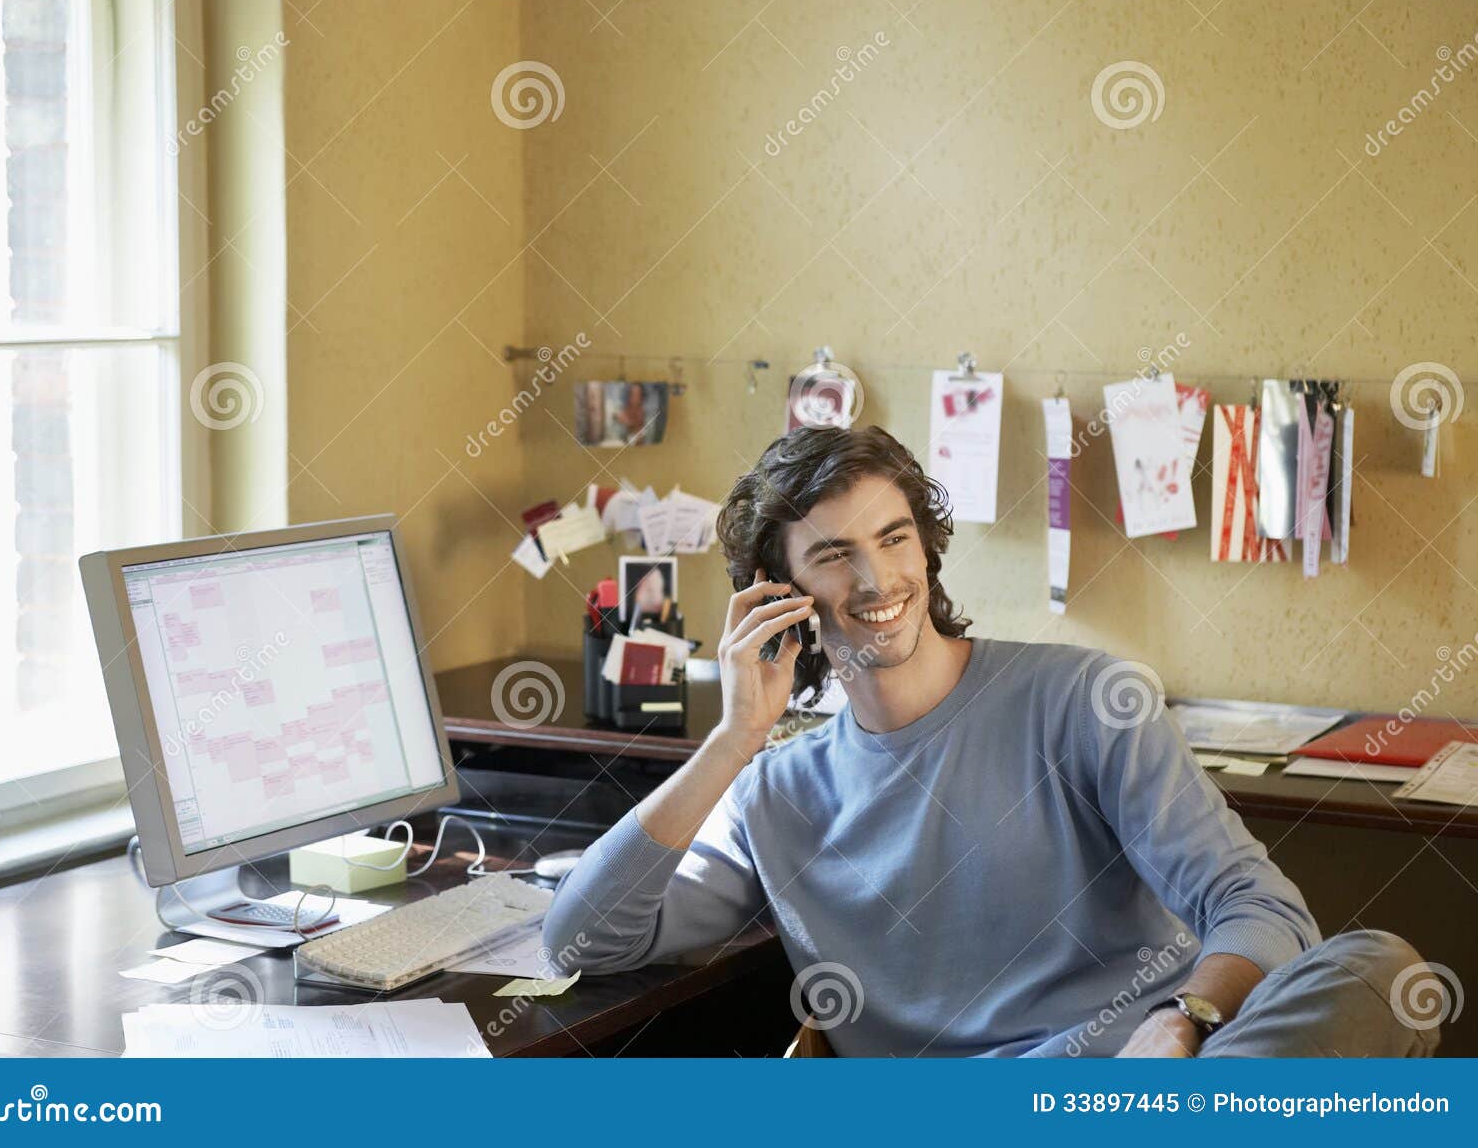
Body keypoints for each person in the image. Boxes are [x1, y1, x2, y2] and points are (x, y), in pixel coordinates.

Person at [542, 425, 1441, 1057]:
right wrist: (734, 739)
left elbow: (1261, 907)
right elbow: (580, 940)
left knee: (1379, 969)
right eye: (832, 555)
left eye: (893, 538)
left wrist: (1186, 1020)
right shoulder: (772, 792)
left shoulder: (1087, 698)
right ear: (779, 595)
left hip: (1157, 1076)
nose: (874, 577)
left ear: (927, 548)